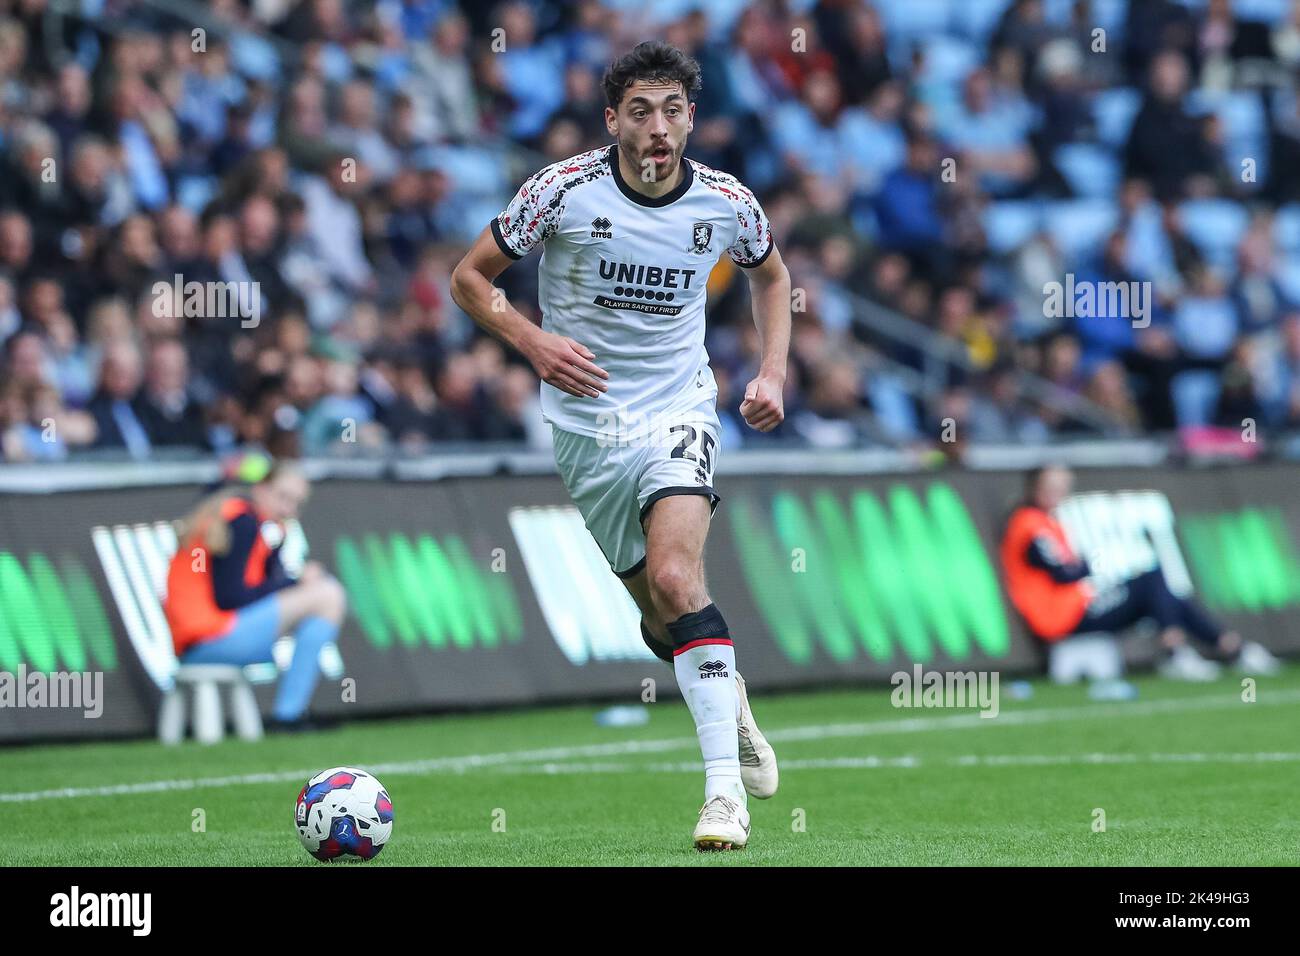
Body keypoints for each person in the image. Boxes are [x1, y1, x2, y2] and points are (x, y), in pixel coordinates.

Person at [451, 41, 789, 851]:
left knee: (678, 576)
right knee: (661, 621)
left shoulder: (725, 203)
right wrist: (531, 343)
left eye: (672, 111)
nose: (657, 127)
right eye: (640, 111)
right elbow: (469, 278)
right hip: (586, 430)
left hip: (677, 407)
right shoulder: (559, 191)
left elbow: (772, 277)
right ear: (613, 120)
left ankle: (721, 799)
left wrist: (773, 371)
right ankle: (726, 695)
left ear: (690, 121)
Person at [1001, 464, 1281, 678]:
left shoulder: (1045, 522)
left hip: (1075, 608)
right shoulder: (1028, 524)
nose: (1057, 493)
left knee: (1166, 594)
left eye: (1062, 486)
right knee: (1150, 581)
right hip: (1060, 618)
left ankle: (1229, 648)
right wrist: (1085, 565)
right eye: (1052, 486)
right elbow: (1063, 574)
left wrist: (1082, 566)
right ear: (1033, 487)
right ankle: (1180, 651)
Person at [163, 460, 347, 731]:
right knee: (329, 595)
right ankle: (289, 714)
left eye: (297, 503)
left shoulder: (234, 517)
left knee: (323, 596)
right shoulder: (242, 522)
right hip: (210, 637)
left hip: (196, 641)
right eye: (283, 497)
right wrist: (295, 581)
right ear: (261, 490)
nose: (289, 509)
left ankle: (291, 712)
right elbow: (230, 597)